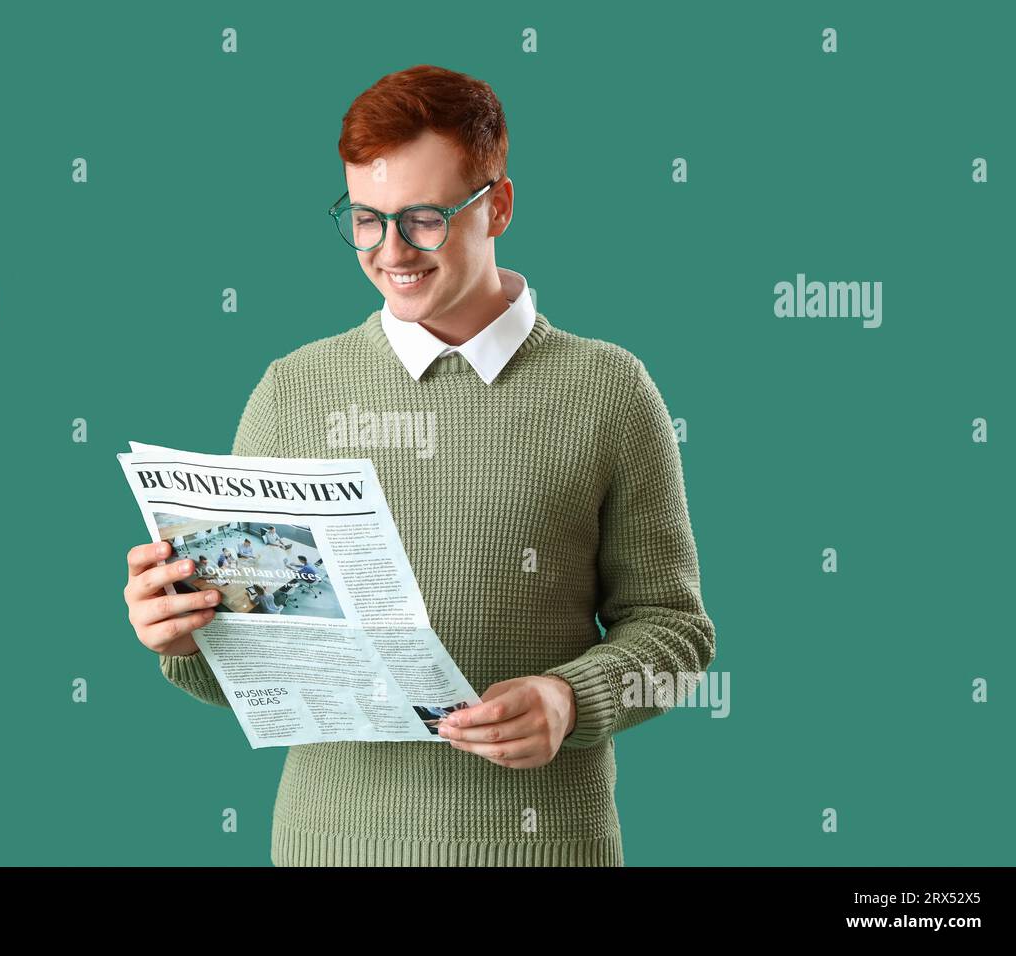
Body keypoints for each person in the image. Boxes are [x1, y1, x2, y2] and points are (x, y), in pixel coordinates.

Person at [124, 64, 715, 868]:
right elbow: (252, 676)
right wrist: (183, 639)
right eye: (365, 220)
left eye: (424, 219)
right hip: (327, 848)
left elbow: (674, 630)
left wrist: (570, 699)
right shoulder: (294, 388)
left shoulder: (608, 390)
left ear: (497, 205)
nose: (390, 251)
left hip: (543, 849)